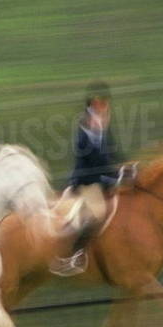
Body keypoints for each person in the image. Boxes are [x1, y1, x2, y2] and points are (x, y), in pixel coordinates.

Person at [52, 81, 120, 275]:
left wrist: (126, 165)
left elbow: (112, 150)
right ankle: (72, 256)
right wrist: (112, 175)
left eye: (105, 103)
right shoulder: (86, 125)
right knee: (98, 212)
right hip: (88, 180)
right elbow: (92, 159)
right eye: (101, 103)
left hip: (103, 177)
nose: (104, 107)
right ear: (93, 103)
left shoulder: (103, 121)